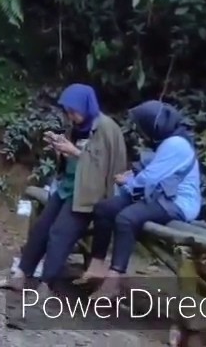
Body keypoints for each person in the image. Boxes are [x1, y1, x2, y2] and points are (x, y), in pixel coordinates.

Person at [8, 84, 126, 293]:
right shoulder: (77, 127)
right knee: (41, 229)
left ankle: (46, 284)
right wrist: (60, 148)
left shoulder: (107, 128)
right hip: (67, 187)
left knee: (59, 233)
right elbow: (73, 160)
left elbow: (108, 168)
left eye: (74, 111)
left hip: (89, 194)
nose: (71, 116)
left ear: (87, 105)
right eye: (68, 111)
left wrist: (75, 152)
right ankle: (20, 275)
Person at [87, 101, 202, 296]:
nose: (141, 132)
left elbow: (149, 178)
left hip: (178, 203)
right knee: (104, 209)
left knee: (126, 218)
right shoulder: (168, 140)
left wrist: (127, 183)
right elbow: (151, 175)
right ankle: (96, 265)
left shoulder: (176, 144)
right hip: (158, 195)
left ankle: (114, 281)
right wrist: (130, 181)